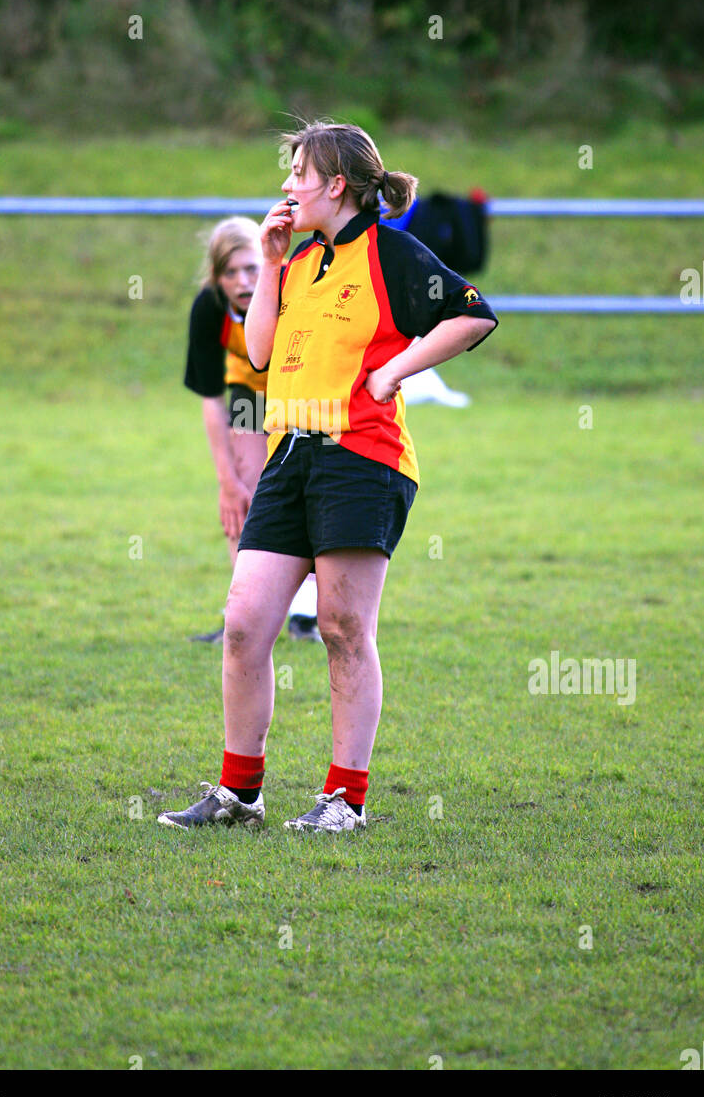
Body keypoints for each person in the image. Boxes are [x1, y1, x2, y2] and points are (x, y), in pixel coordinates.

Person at [159, 122, 497, 833]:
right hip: (289, 458)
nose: (286, 187)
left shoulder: (391, 252)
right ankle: (239, 796)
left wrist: (395, 370)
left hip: (362, 460)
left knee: (344, 627)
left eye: (297, 174)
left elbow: (473, 316)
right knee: (246, 625)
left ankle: (344, 801)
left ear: (335, 185)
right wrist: (272, 260)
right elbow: (256, 351)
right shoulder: (299, 259)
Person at [183, 216, 319, 642]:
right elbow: (211, 400)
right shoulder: (209, 309)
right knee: (243, 496)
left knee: (314, 498)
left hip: (304, 394)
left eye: (251, 269)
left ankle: (307, 615)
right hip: (249, 394)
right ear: (216, 277)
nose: (243, 281)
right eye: (230, 272)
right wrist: (226, 483)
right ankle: (239, 618)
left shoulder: (292, 288)